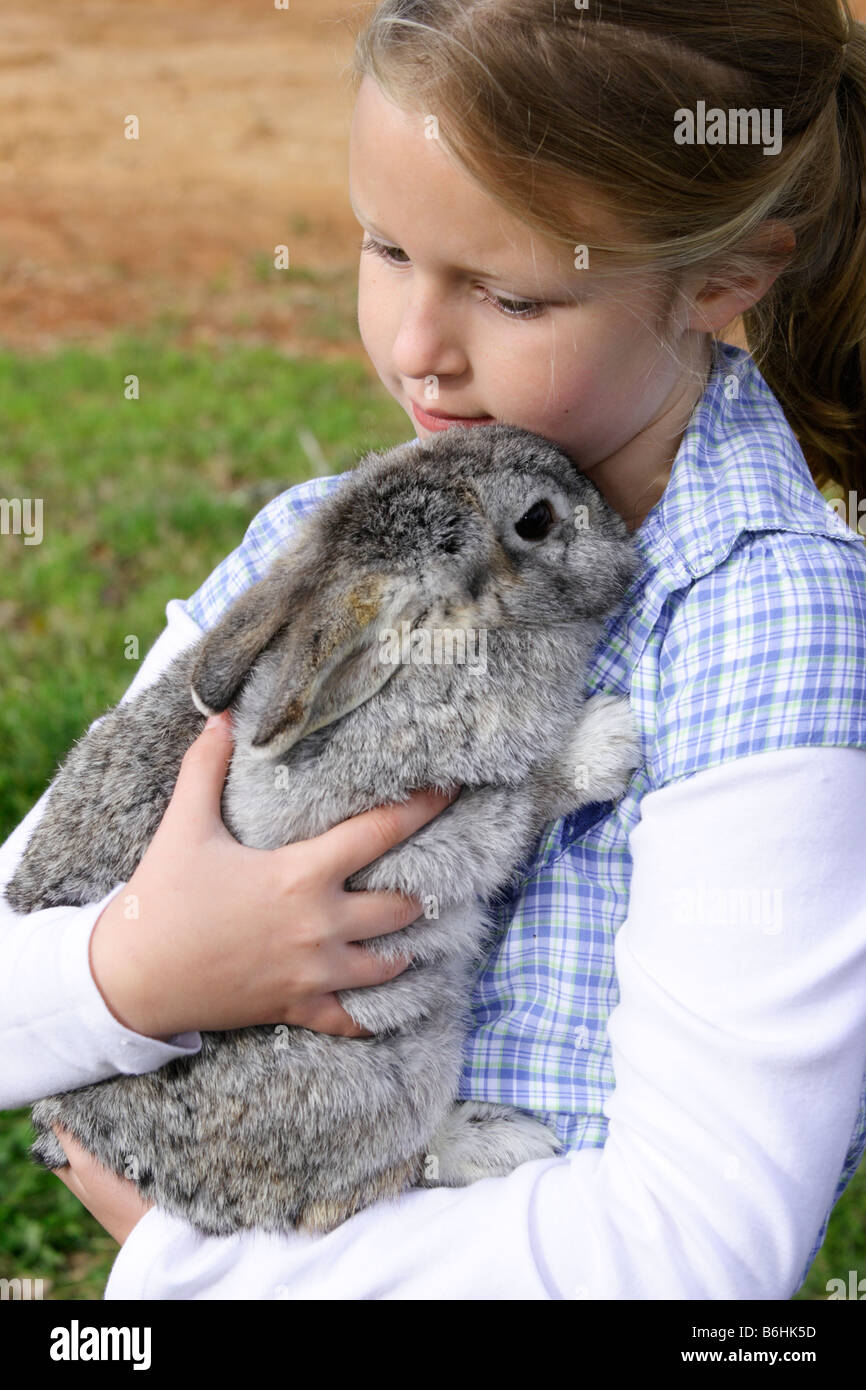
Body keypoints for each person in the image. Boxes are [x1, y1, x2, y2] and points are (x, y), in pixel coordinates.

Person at [2, 0, 866, 1299]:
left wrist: (188, 1254)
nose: (414, 348)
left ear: (725, 276)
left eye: (511, 293)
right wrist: (137, 970)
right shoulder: (317, 535)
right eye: (384, 246)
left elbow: (697, 1249)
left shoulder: (766, 623)